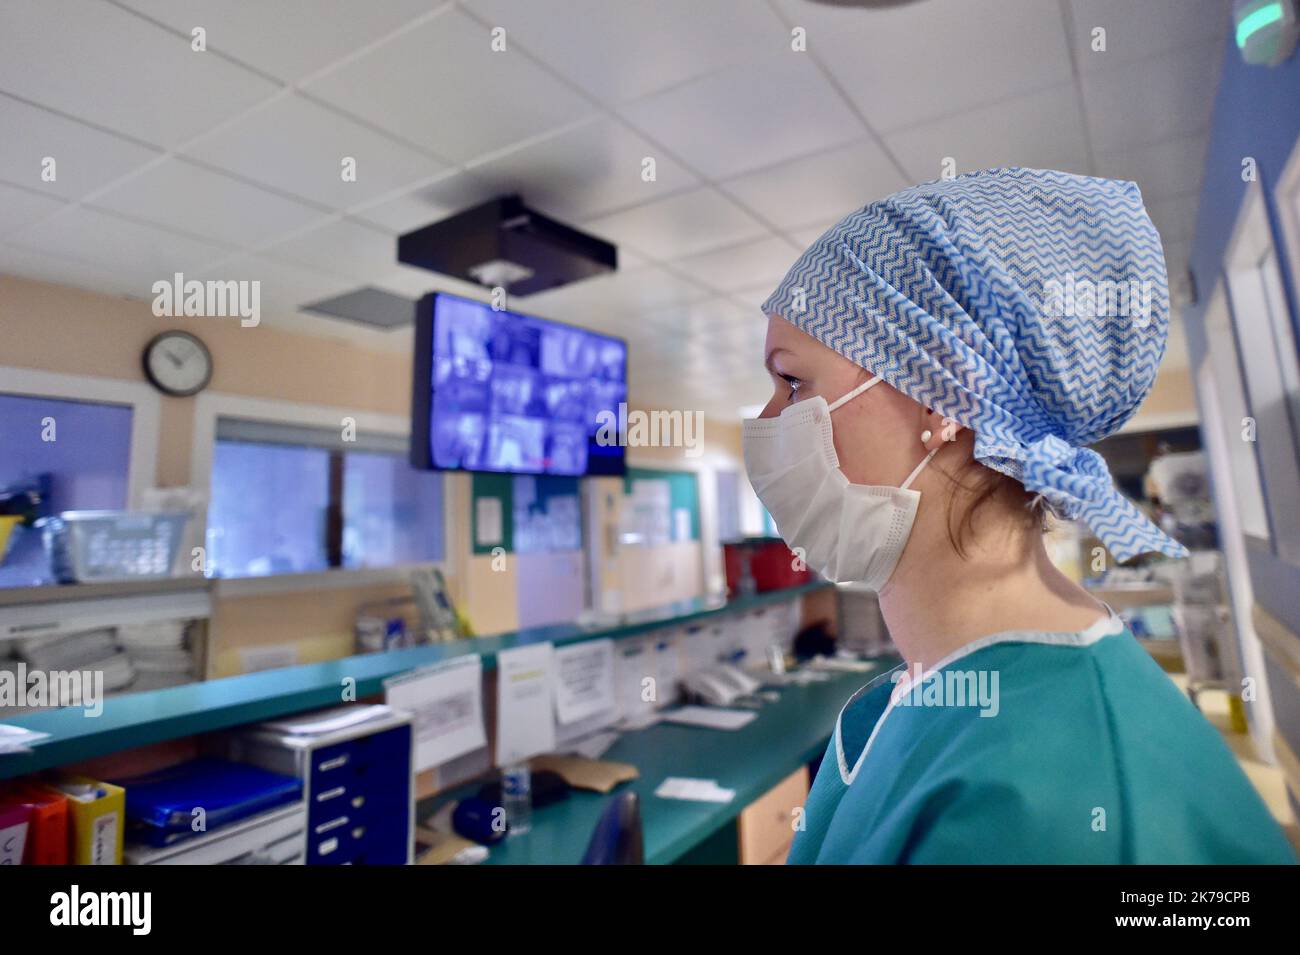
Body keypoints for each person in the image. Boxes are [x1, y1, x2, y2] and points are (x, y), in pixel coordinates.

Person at [743, 168, 1295, 864]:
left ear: (941, 388)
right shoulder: (926, 695)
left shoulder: (1056, 801)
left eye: (793, 381)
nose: (765, 422)